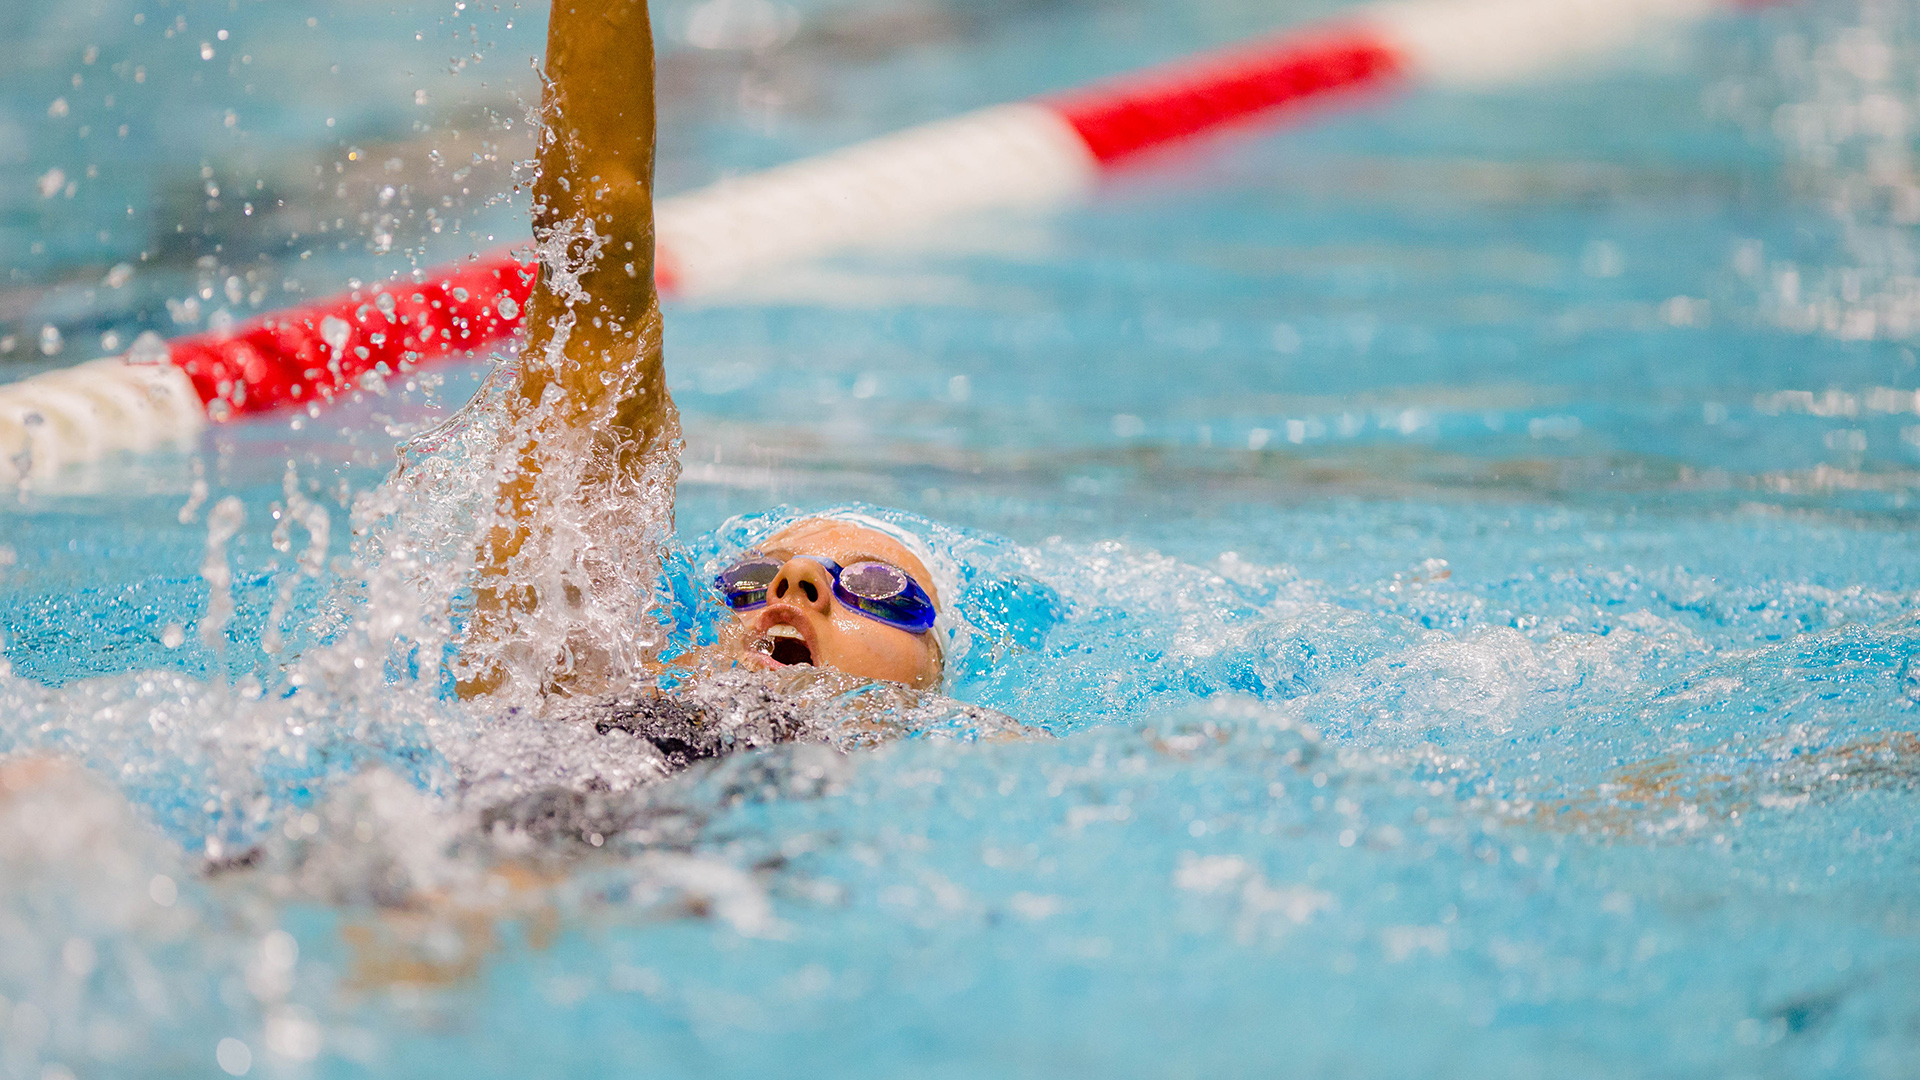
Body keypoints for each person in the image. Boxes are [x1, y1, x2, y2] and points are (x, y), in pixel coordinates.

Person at [458, 0, 949, 701]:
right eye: (752, 579)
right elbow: (596, 258)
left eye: (877, 585)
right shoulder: (568, 703)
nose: (794, 582)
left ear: (936, 678)